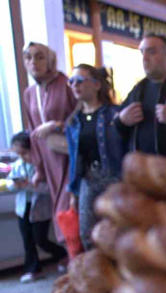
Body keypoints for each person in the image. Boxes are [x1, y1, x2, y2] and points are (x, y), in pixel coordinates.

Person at [20, 42, 78, 245]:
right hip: (49, 160)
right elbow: (33, 130)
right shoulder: (29, 94)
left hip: (72, 158)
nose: (33, 62)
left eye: (39, 56)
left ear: (50, 60)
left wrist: (57, 125)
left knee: (70, 210)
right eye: (28, 57)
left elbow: (82, 117)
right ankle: (75, 263)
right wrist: (39, 169)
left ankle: (79, 264)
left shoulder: (67, 85)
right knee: (61, 214)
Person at [65, 65, 127, 249]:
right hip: (88, 179)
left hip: (115, 178)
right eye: (72, 81)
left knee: (118, 230)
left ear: (97, 85)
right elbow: (74, 157)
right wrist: (73, 192)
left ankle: (120, 273)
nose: (75, 85)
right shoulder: (73, 121)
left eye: (80, 80)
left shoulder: (115, 113)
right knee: (87, 233)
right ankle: (96, 273)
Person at [9, 132, 67, 282]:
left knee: (40, 239)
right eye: (18, 154)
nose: (22, 157)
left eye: (25, 153)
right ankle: (33, 269)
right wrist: (15, 184)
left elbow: (49, 189)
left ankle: (63, 255)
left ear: (33, 150)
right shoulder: (17, 165)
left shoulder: (42, 166)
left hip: (40, 209)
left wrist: (29, 186)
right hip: (23, 209)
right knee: (27, 240)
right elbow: (9, 184)